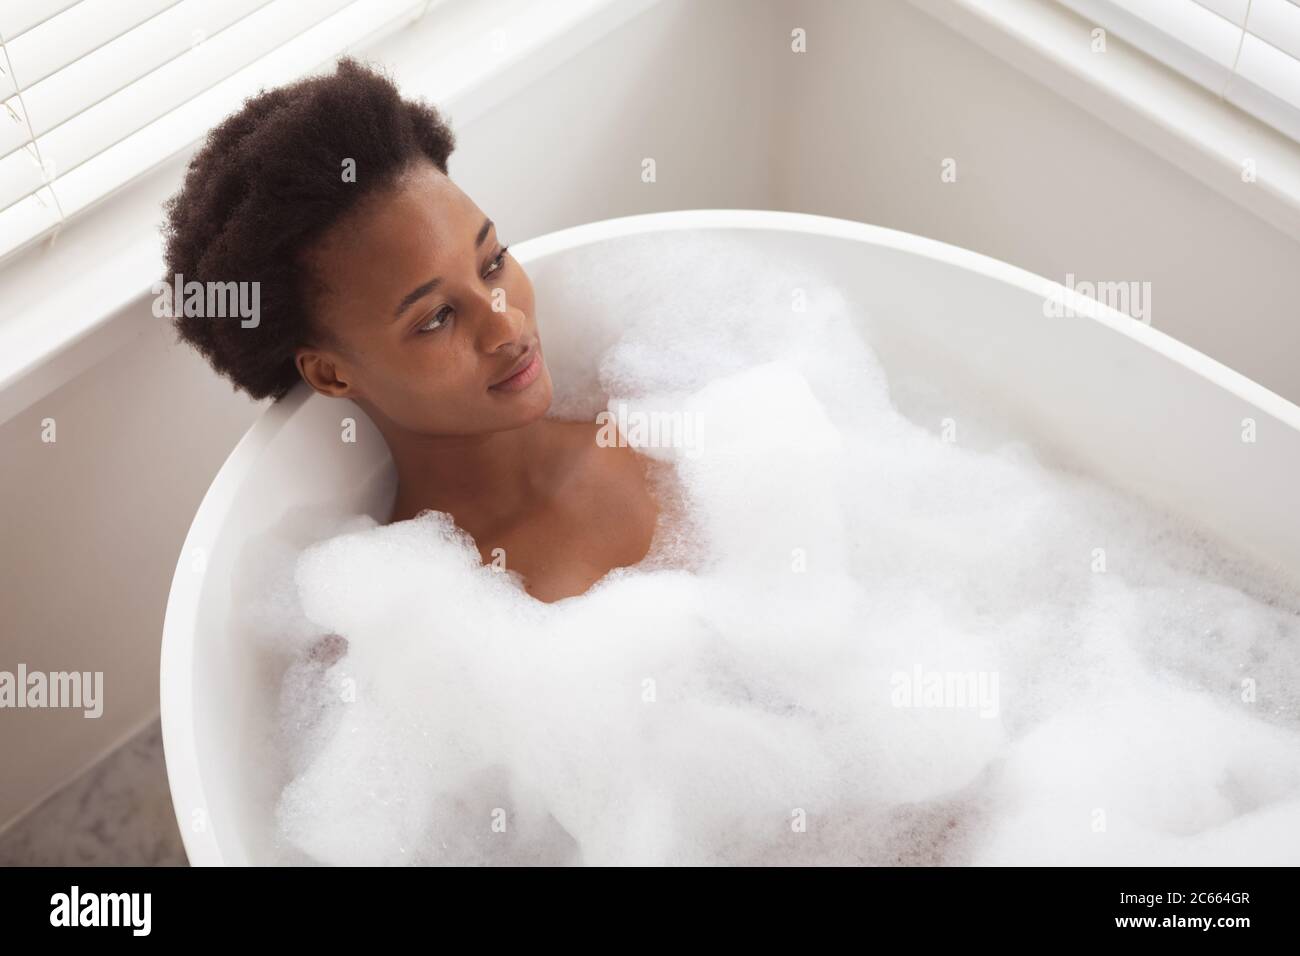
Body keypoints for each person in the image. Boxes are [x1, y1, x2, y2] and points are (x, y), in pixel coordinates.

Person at [162, 57, 661, 603]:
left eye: (492, 261)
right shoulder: (405, 620)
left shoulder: (673, 421)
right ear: (330, 374)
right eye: (436, 318)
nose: (506, 322)